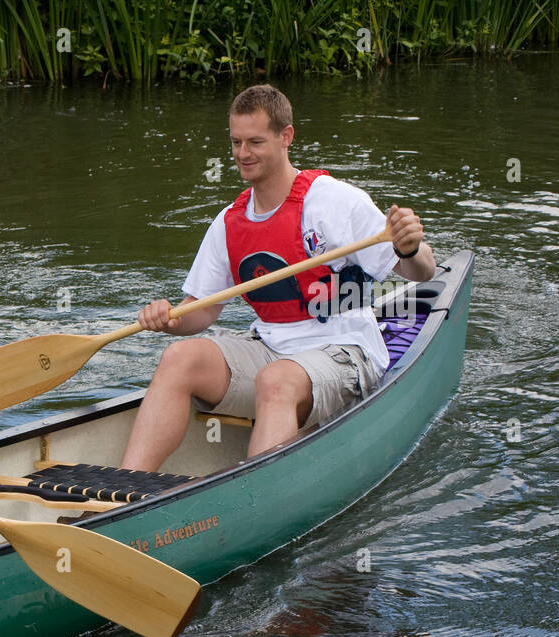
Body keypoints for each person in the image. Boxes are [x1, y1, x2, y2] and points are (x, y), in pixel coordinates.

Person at [120, 84, 436, 472]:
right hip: (272, 347)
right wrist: (166, 320)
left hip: (346, 348)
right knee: (180, 358)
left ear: (286, 137)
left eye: (255, 141)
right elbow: (198, 313)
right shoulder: (228, 223)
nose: (241, 154)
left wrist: (409, 246)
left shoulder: (335, 201)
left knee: (276, 381)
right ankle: (125, 492)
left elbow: (422, 272)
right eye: (236, 142)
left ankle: (255, 498)